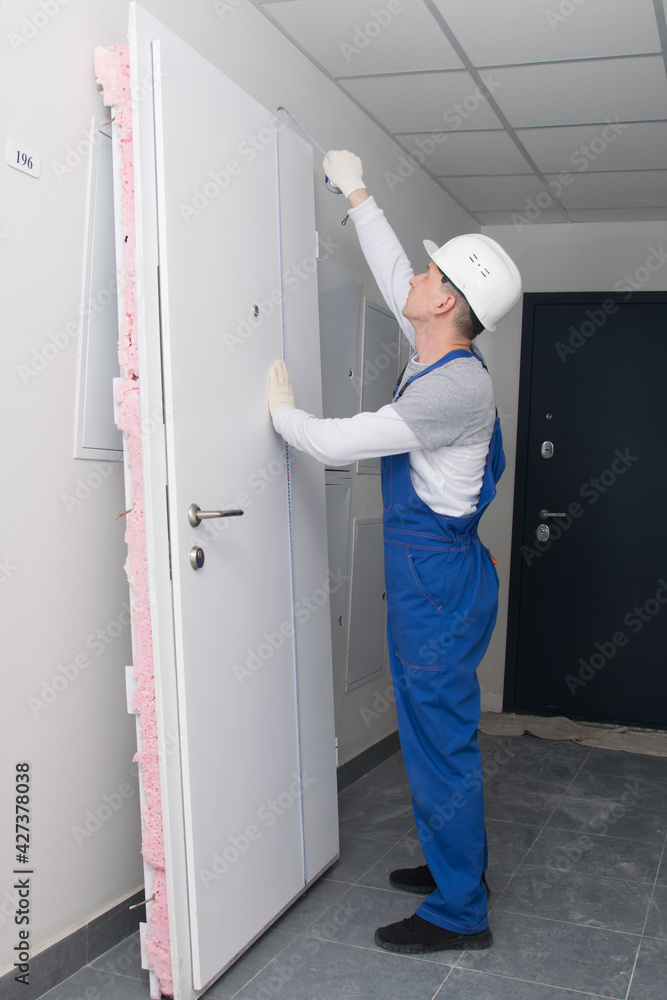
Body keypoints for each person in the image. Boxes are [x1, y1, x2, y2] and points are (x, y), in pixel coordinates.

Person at [267, 150, 522, 955]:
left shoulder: (450, 388)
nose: (415, 274)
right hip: (442, 571)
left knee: (437, 741)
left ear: (445, 298)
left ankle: (458, 913)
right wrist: (359, 193)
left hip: (436, 583)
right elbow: (392, 275)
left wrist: (278, 414)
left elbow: (339, 442)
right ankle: (460, 872)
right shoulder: (441, 351)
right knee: (435, 733)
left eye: (430, 270)